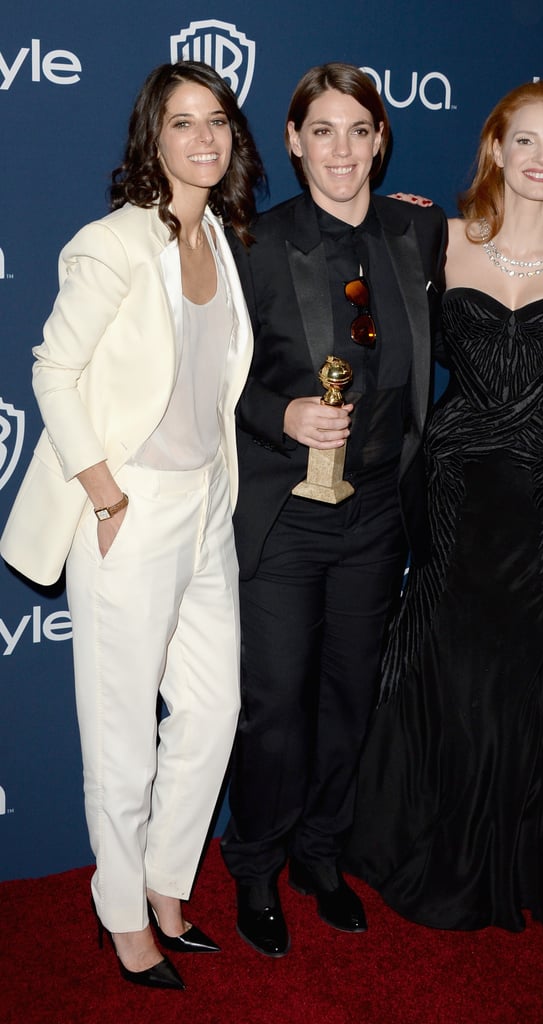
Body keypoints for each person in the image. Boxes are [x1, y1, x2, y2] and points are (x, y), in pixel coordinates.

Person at [345, 80, 543, 932]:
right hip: (454, 482)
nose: (542, 160)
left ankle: (519, 844)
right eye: (527, 141)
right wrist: (390, 213)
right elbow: (360, 286)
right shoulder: (440, 242)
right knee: (444, 655)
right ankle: (429, 827)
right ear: (495, 148)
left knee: (528, 664)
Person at [0, 61, 264, 987]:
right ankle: (122, 914)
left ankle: (162, 879)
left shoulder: (223, 241)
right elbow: (50, 371)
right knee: (120, 731)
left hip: (204, 509)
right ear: (152, 138)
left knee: (214, 711)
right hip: (129, 508)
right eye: (183, 121)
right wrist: (106, 493)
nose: (204, 137)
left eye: (218, 120)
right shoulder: (110, 245)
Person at [218, 62, 448, 957]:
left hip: (380, 505)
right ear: (291, 139)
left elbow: (505, 282)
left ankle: (321, 853)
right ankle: (254, 865)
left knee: (352, 696)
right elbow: (209, 378)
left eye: (359, 129)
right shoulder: (251, 245)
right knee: (275, 704)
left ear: (381, 139)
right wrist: (281, 413)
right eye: (323, 130)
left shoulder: (420, 230)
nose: (342, 148)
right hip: (286, 515)